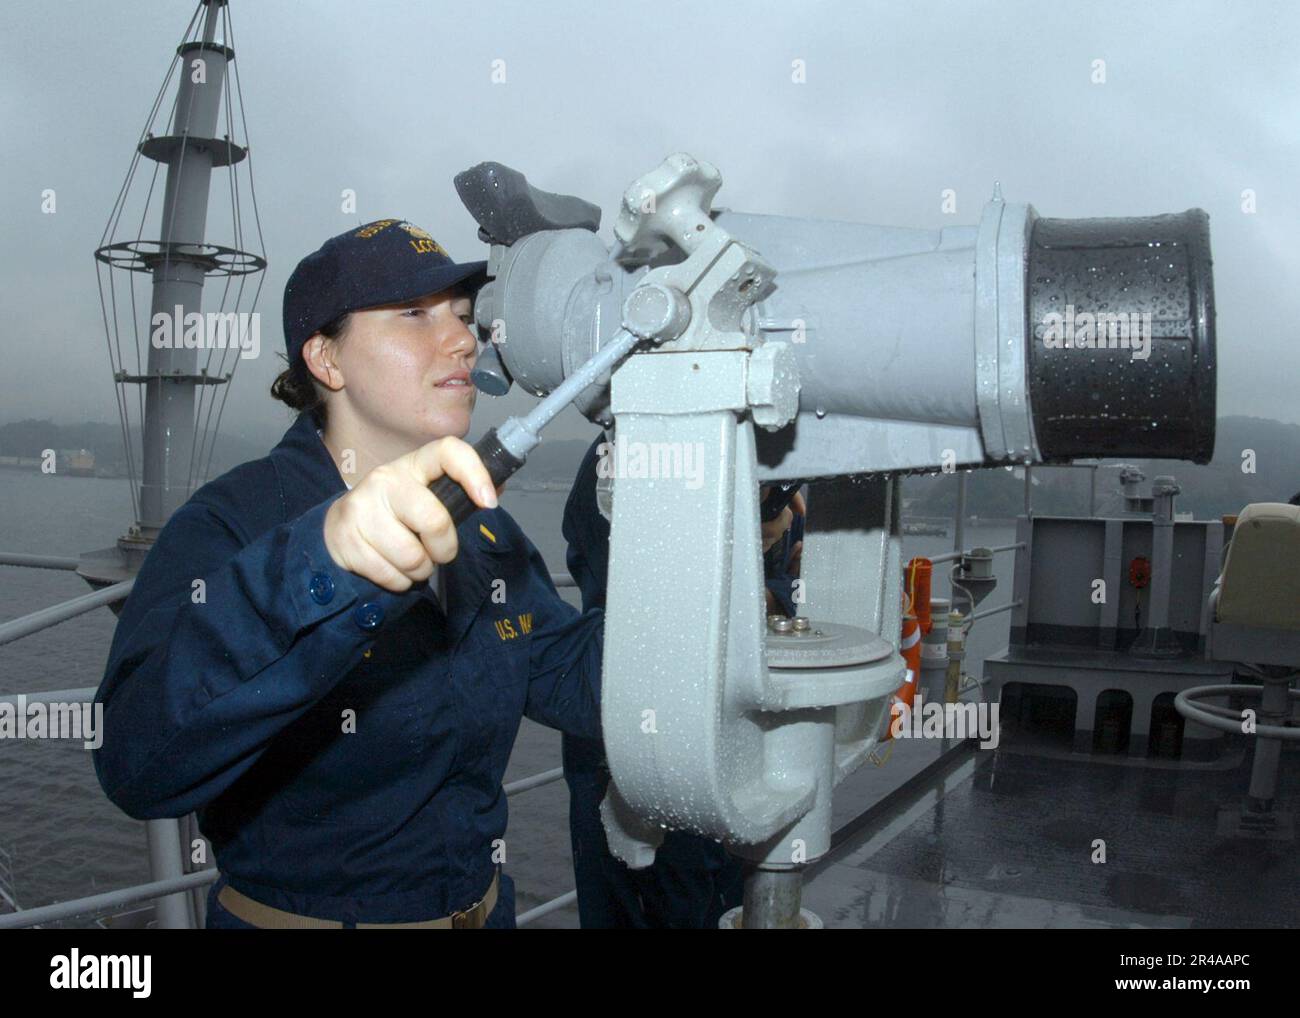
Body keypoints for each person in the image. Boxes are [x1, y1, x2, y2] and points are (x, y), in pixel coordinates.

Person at [92, 219, 603, 929]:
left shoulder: (485, 531)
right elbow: (138, 764)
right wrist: (325, 561)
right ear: (326, 362)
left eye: (462, 316)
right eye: (415, 315)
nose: (462, 339)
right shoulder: (230, 524)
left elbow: (575, 680)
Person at [560, 432, 804, 927]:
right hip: (634, 734)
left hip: (732, 731)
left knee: (726, 900)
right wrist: (747, 551)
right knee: (635, 902)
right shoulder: (620, 451)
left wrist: (761, 570)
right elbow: (647, 601)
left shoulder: (762, 464)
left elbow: (793, 587)